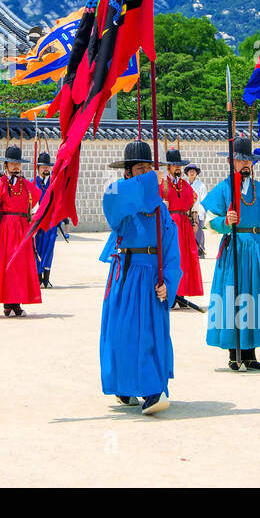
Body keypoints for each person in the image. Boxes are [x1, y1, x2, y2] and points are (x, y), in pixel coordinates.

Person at [98, 141, 181, 416]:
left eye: (148, 168)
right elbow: (115, 200)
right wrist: (145, 182)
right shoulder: (119, 199)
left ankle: (152, 390)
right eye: (139, 169)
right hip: (127, 275)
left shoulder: (162, 211)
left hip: (153, 278)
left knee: (151, 336)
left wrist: (168, 282)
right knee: (123, 334)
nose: (145, 173)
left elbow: (171, 250)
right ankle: (124, 385)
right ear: (128, 174)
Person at [202, 136, 260, 371]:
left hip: (258, 249)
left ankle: (251, 354)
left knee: (256, 298)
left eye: (249, 161)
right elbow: (208, 220)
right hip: (235, 246)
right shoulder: (224, 188)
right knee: (233, 297)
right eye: (240, 160)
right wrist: (225, 221)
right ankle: (233, 353)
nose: (246, 164)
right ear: (230, 161)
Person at [0, 145, 42, 317]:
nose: (16, 167)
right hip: (4, 229)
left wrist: (33, 223)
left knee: (20, 266)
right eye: (12, 163)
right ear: (5, 165)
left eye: (18, 164)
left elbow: (38, 200)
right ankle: (7, 302)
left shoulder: (25, 185)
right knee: (6, 266)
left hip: (21, 229)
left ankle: (17, 302)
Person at [160, 148, 204, 312]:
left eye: (179, 165)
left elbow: (194, 203)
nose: (178, 168)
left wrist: (194, 221)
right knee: (170, 260)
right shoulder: (162, 185)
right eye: (174, 165)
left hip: (184, 227)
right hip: (170, 226)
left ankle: (182, 293)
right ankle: (171, 294)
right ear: (169, 167)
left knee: (184, 260)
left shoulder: (185, 185)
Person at [32, 153, 59, 287]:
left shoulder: (54, 182)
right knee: (37, 247)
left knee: (49, 247)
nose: (45, 169)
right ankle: (38, 277)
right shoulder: (33, 183)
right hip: (38, 220)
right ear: (38, 168)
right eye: (42, 167)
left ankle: (46, 278)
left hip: (51, 221)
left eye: (47, 166)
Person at [184, 164, 208, 258]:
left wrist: (201, 213)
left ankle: (200, 250)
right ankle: (189, 251)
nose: (192, 173)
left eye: (193, 171)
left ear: (196, 173)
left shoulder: (201, 185)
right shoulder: (184, 184)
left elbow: (204, 199)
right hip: (186, 212)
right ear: (187, 173)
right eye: (190, 171)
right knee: (187, 232)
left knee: (198, 232)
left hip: (197, 212)